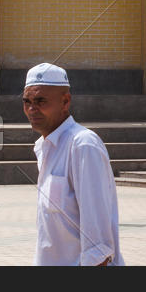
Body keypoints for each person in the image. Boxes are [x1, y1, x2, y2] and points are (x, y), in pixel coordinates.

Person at [23, 62, 124, 266]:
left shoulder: (82, 145)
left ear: (65, 101)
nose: (32, 109)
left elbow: (98, 247)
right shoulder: (45, 148)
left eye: (41, 101)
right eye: (27, 101)